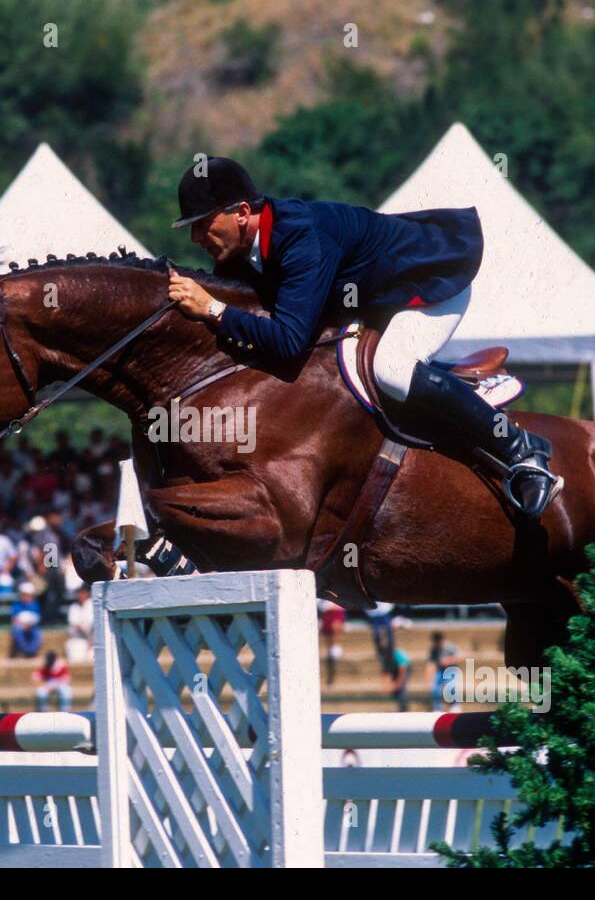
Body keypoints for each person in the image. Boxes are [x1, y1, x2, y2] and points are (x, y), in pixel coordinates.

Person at [166, 156, 560, 518]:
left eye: (202, 223)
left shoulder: (301, 238)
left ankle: (522, 452)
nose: (196, 237)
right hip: (372, 300)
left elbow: (287, 340)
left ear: (242, 213)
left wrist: (214, 309)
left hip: (428, 286)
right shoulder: (244, 247)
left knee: (391, 368)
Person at [426, 630, 462, 712]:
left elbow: (459, 657)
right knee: (435, 688)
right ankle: (437, 707)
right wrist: (429, 680)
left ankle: (455, 705)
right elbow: (430, 664)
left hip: (452, 670)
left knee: (451, 687)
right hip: (441, 671)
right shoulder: (433, 649)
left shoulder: (450, 647)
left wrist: (448, 660)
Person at [10, 582, 44, 658]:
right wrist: (22, 625)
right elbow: (14, 619)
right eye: (24, 594)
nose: (26, 597)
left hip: (32, 626)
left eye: (28, 595)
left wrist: (28, 625)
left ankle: (32, 651)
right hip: (20, 626)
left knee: (38, 632)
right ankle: (25, 650)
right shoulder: (17, 604)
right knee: (16, 630)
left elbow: (37, 618)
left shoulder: (35, 605)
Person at [66, 585, 94, 663]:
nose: (81, 595)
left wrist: (90, 641)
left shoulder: (91, 605)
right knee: (76, 659)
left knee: (91, 657)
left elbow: (91, 626)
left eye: (83, 593)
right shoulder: (73, 607)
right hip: (77, 639)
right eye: (79, 593)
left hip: (92, 640)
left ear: (87, 593)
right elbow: (74, 624)